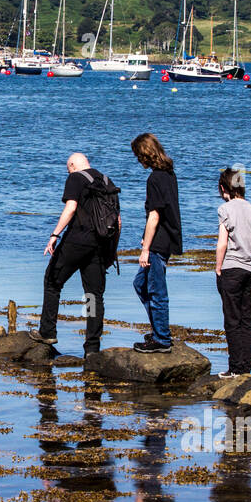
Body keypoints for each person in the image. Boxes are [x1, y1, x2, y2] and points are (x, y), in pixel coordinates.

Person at [30, 152, 119, 355]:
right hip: (100, 245)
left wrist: (54, 234)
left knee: (52, 281)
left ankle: (47, 332)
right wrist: (112, 252)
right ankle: (92, 347)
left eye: (67, 169)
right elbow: (118, 221)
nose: (68, 172)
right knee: (93, 296)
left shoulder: (75, 178)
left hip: (77, 241)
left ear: (72, 165)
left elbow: (71, 208)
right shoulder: (107, 181)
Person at [130, 133, 181, 353]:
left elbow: (155, 215)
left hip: (159, 243)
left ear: (145, 155)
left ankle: (162, 339)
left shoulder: (155, 178)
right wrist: (146, 236)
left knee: (156, 290)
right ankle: (158, 330)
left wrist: (145, 248)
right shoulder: (168, 174)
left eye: (138, 156)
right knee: (140, 284)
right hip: (163, 238)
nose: (137, 160)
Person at [214, 166, 251, 377]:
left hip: (232, 268)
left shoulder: (225, 209)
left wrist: (218, 267)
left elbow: (222, 243)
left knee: (232, 320)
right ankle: (246, 368)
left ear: (224, 187)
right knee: (248, 320)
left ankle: (235, 367)